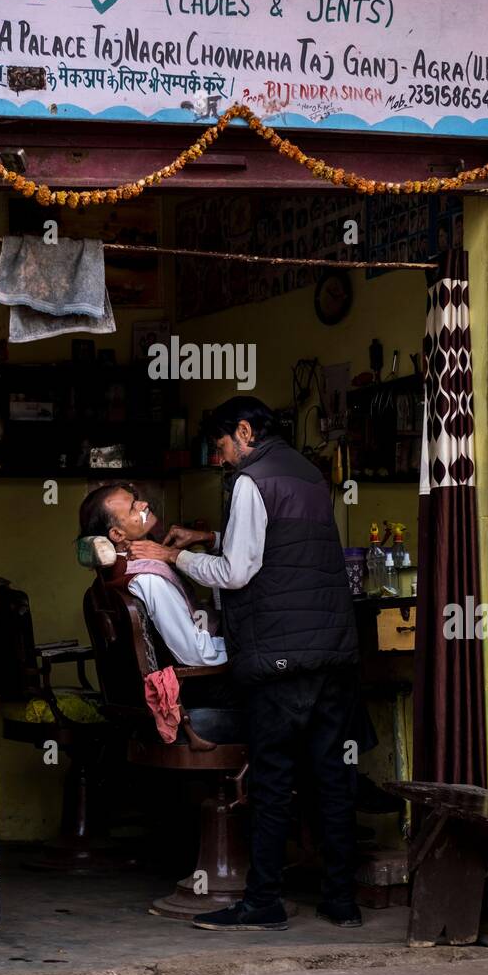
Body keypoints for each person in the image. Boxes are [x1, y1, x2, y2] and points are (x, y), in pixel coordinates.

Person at [128, 396, 373, 931]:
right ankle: (341, 901)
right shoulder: (308, 473)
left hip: (280, 656)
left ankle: (263, 901)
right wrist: (209, 537)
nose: (220, 460)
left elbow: (238, 572)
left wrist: (175, 556)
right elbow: (283, 545)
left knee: (271, 777)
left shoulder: (250, 481)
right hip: (331, 651)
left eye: (221, 447)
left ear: (244, 432)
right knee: (331, 778)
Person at [78, 482, 226, 672]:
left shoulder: (116, 572)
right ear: (117, 534)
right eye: (133, 507)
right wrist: (242, 648)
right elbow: (197, 653)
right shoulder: (148, 579)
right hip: (196, 684)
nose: (144, 504)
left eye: (137, 500)